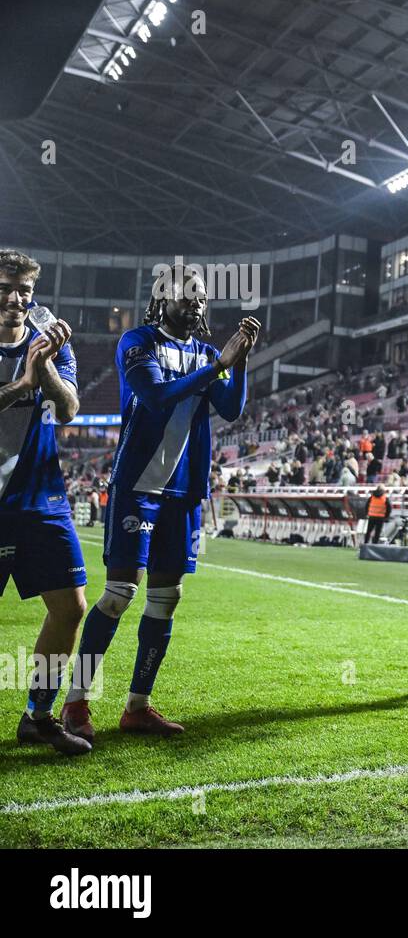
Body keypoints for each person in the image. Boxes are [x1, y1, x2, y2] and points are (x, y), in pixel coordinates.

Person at [62, 271, 259, 741]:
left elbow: (230, 408)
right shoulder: (138, 341)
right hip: (139, 487)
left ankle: (137, 706)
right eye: (185, 298)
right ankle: (75, 702)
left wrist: (240, 361)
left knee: (167, 597)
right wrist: (217, 368)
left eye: (202, 300)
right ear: (160, 301)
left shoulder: (208, 353)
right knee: (119, 594)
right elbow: (154, 397)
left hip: (185, 491)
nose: (195, 306)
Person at [0, 251, 90, 756]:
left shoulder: (48, 339)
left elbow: (68, 409)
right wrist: (22, 385)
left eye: (24, 291)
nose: (15, 300)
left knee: (70, 606)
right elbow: (22, 393)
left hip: (41, 499)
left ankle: (37, 716)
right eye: (4, 288)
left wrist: (47, 367)